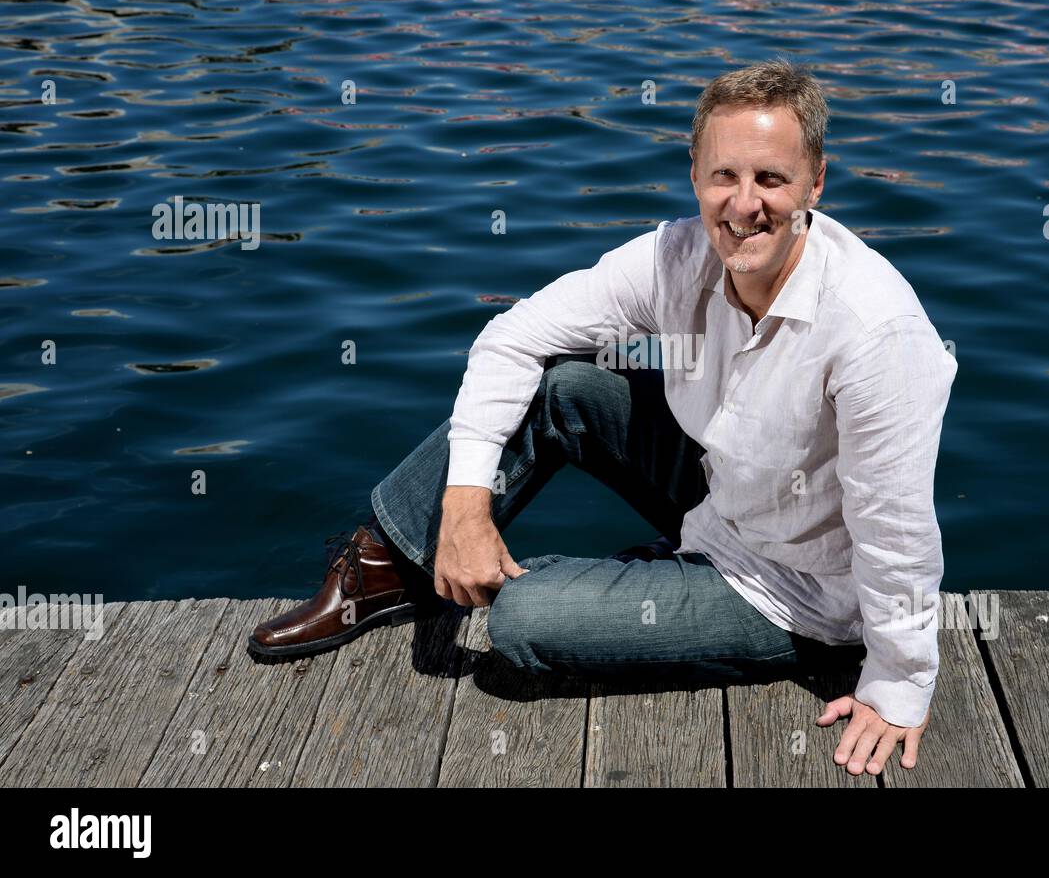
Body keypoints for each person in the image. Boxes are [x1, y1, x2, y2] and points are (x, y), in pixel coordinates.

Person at [249, 58, 958, 777]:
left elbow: (894, 527)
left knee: (523, 621)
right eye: (724, 176)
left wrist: (899, 682)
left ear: (816, 183)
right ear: (694, 175)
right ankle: (390, 564)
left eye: (771, 179)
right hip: (725, 492)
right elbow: (513, 334)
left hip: (798, 587)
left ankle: (609, 587)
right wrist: (466, 505)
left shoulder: (875, 330)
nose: (745, 205)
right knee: (563, 384)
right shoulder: (677, 257)